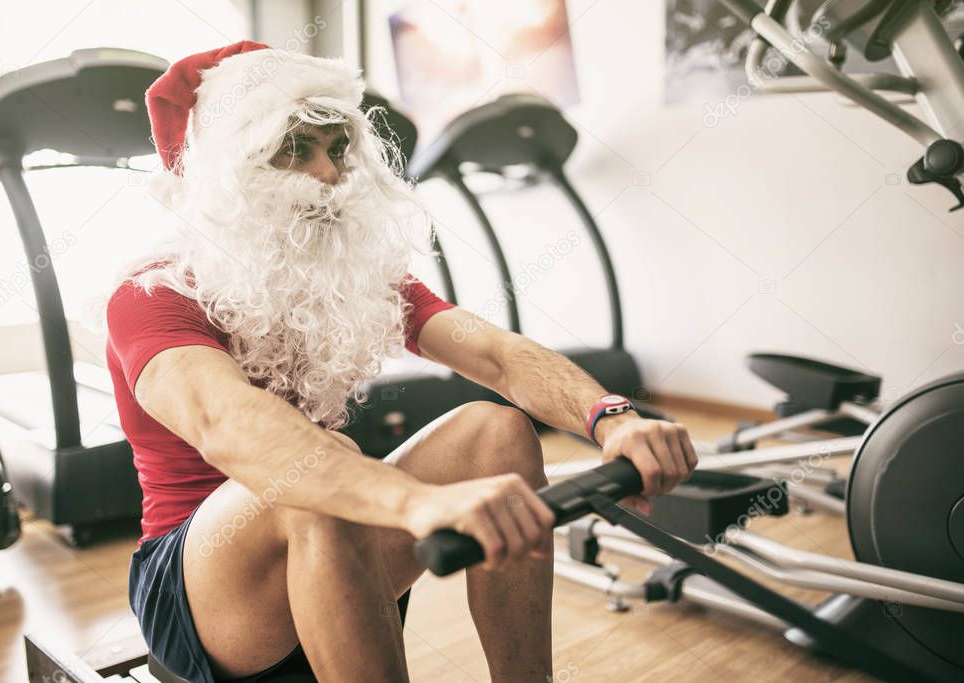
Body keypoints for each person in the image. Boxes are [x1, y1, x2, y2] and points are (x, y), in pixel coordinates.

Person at [107, 41, 698, 683]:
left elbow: (495, 355)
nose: (330, 174)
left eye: (336, 148)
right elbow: (228, 423)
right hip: (200, 585)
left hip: (336, 532)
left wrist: (612, 419)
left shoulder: (349, 275)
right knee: (318, 475)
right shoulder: (152, 294)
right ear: (229, 176)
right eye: (294, 150)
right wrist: (413, 503)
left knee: (491, 432)